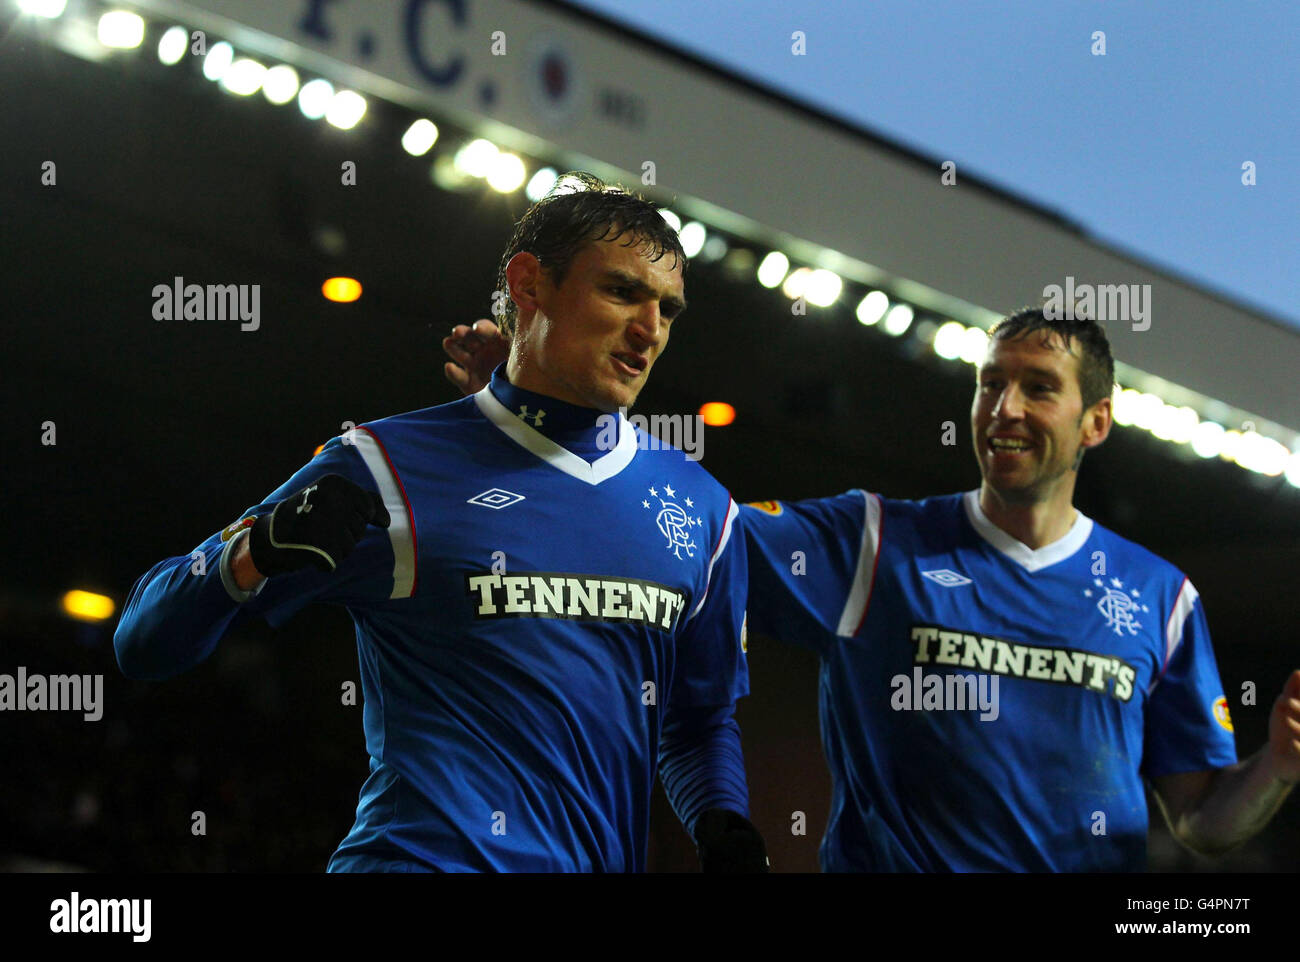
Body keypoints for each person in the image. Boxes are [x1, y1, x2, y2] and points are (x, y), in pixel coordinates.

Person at [444, 307, 1300, 871]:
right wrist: (544, 418)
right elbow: (688, 538)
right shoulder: (874, 542)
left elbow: (1202, 819)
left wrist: (1280, 767)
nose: (1003, 407)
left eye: (1038, 389)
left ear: (1096, 423)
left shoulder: (1159, 597)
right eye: (990, 383)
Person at [115, 172, 768, 873]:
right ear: (529, 285)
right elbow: (143, 643)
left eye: (669, 310)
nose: (650, 330)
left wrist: (721, 820)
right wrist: (257, 552)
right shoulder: (384, 466)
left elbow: (697, 720)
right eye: (621, 291)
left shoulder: (702, 509)